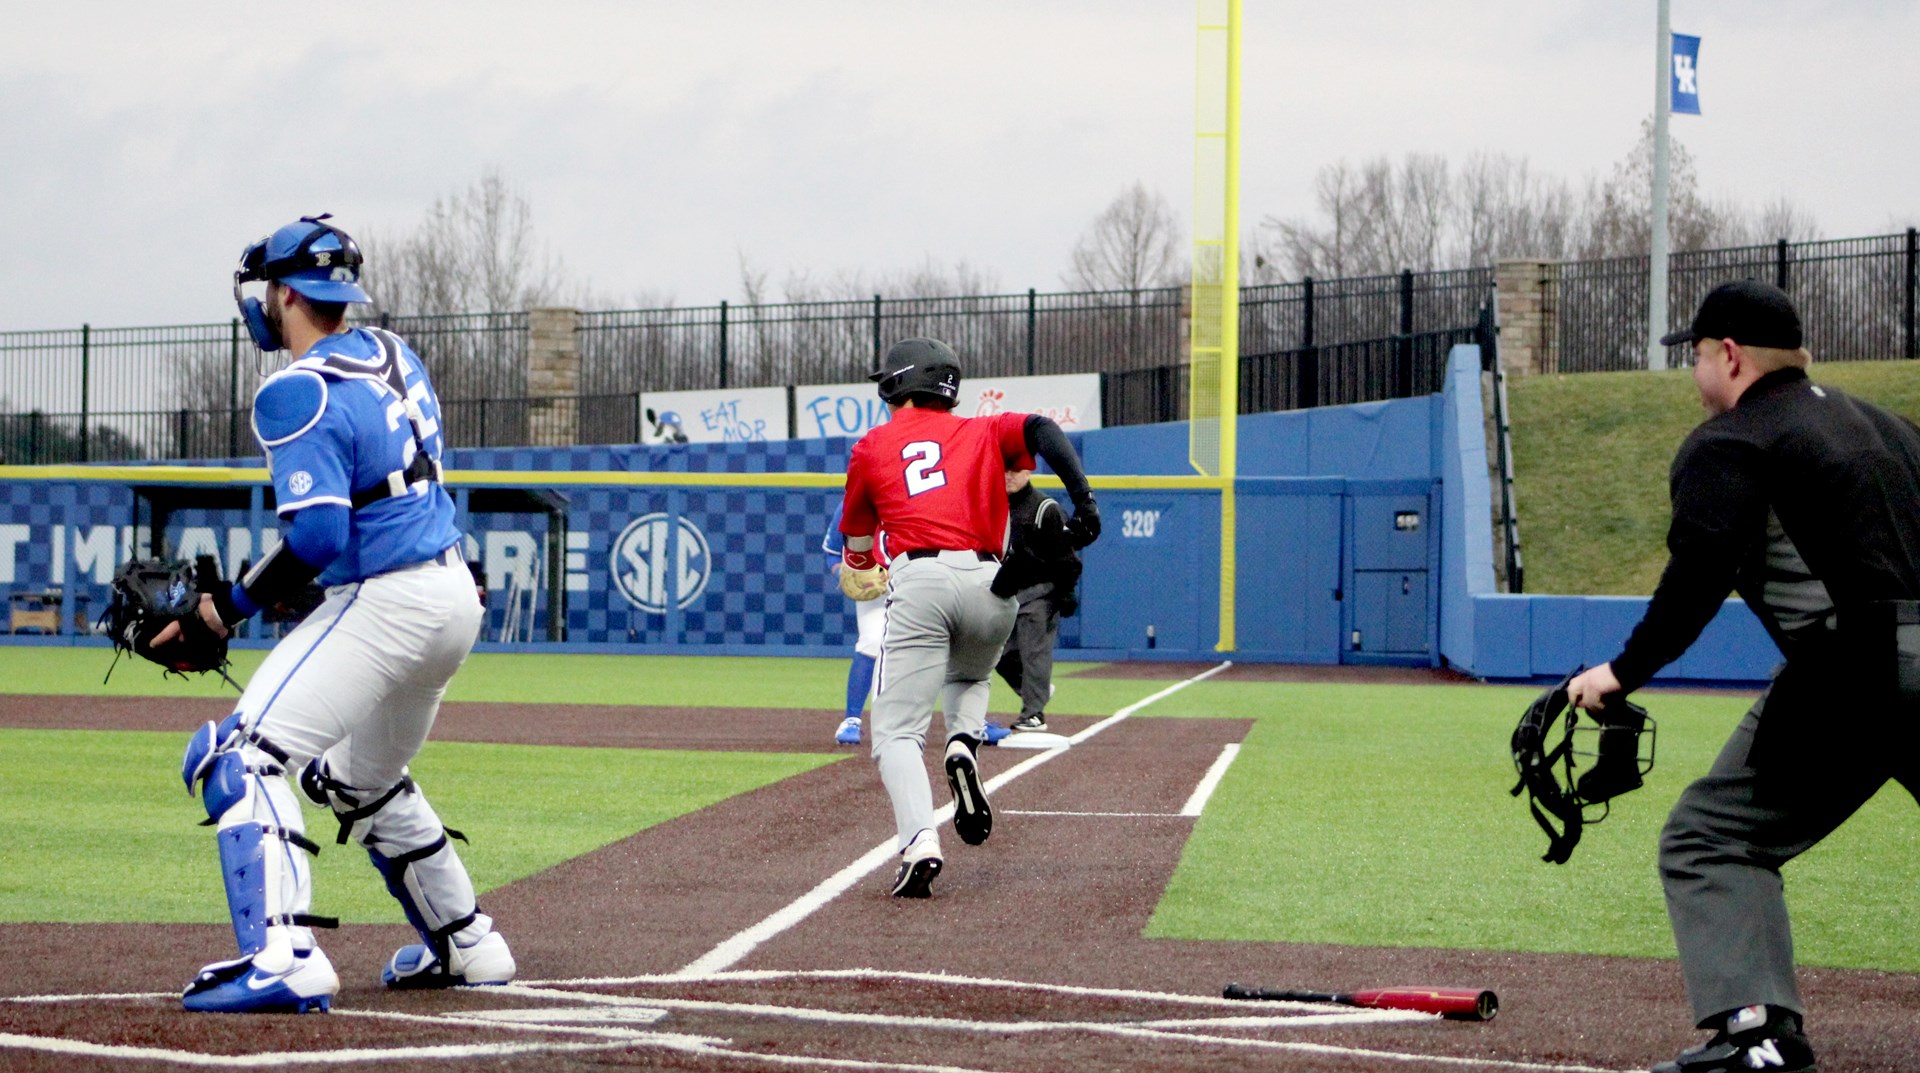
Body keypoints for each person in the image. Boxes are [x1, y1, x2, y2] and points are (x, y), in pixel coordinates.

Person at [159, 215, 513, 1014]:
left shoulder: (294, 389)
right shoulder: (393, 349)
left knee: (238, 758)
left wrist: (226, 610)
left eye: (267, 292)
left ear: (284, 293)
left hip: (388, 597)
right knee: (358, 776)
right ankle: (468, 942)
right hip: (452, 594)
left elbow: (320, 535)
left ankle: (283, 953)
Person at [1565, 280, 1920, 1073]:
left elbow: (1697, 577)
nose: (1694, 373)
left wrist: (1621, 672)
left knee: (1710, 836)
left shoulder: (1733, 440)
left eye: (1694, 355)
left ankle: (1757, 1031)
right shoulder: (1893, 429)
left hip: (1851, 668)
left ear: (1728, 354)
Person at [838, 338, 1099, 897]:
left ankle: (919, 843)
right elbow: (1044, 430)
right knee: (971, 676)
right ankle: (963, 741)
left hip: (921, 580)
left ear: (895, 384)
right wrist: (1085, 498)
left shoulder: (871, 446)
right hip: (991, 583)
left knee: (896, 733)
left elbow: (859, 550)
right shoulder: (984, 430)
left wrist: (860, 568)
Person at [821, 505, 1016, 748]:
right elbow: (831, 553)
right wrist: (845, 574)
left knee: (952, 644)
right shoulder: (854, 502)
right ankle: (851, 720)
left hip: (921, 583)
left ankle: (973, 722)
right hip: (877, 593)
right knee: (871, 643)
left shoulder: (923, 496)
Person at [993, 466, 1083, 733]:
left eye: (1015, 470)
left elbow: (1067, 557)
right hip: (1008, 593)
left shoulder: (1046, 508)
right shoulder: (995, 506)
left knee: (1034, 654)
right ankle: (1037, 692)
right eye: (1005, 470)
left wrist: (1066, 593)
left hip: (1042, 591)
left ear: (1028, 473)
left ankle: (1034, 714)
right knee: (1000, 655)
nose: (1009, 476)